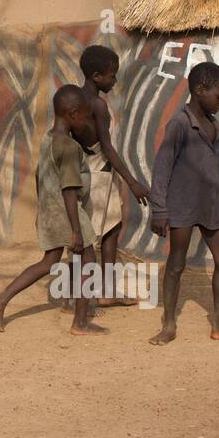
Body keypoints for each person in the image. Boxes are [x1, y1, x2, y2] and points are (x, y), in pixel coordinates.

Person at [148, 61, 219, 345]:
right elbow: (162, 168)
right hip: (182, 207)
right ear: (200, 90)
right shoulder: (180, 124)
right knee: (176, 264)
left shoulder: (214, 127)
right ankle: (169, 324)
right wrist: (159, 210)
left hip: (210, 206)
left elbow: (218, 173)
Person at [0, 85, 107, 336]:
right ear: (73, 114)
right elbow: (69, 189)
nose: (87, 122)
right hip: (70, 212)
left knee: (49, 262)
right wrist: (76, 230)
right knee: (88, 260)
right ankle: (81, 322)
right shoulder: (69, 148)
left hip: (53, 211)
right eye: (85, 116)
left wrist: (41, 210)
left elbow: (39, 176)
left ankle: (1, 299)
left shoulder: (48, 140)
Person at [77, 44, 150, 305]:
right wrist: (133, 183)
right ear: (96, 76)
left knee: (110, 230)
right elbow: (106, 148)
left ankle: (105, 292)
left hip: (85, 173)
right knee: (89, 238)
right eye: (111, 75)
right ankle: (82, 299)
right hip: (99, 175)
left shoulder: (73, 99)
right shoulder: (98, 105)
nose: (114, 80)